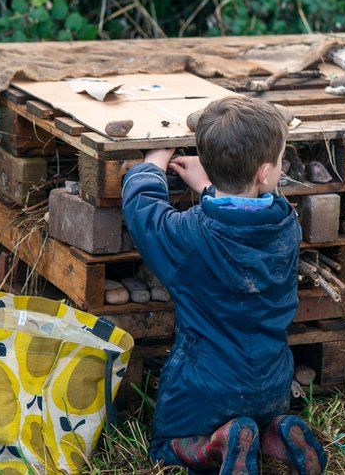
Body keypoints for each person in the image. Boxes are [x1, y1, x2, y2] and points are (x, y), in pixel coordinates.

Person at [122, 96, 327, 474]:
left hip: (204, 388)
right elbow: (244, 215)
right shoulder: (286, 225)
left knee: (165, 447)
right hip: (272, 383)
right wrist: (208, 187)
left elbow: (144, 213)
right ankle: (274, 435)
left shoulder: (188, 235)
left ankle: (213, 447)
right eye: (280, 162)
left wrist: (153, 162)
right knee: (259, 416)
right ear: (265, 174)